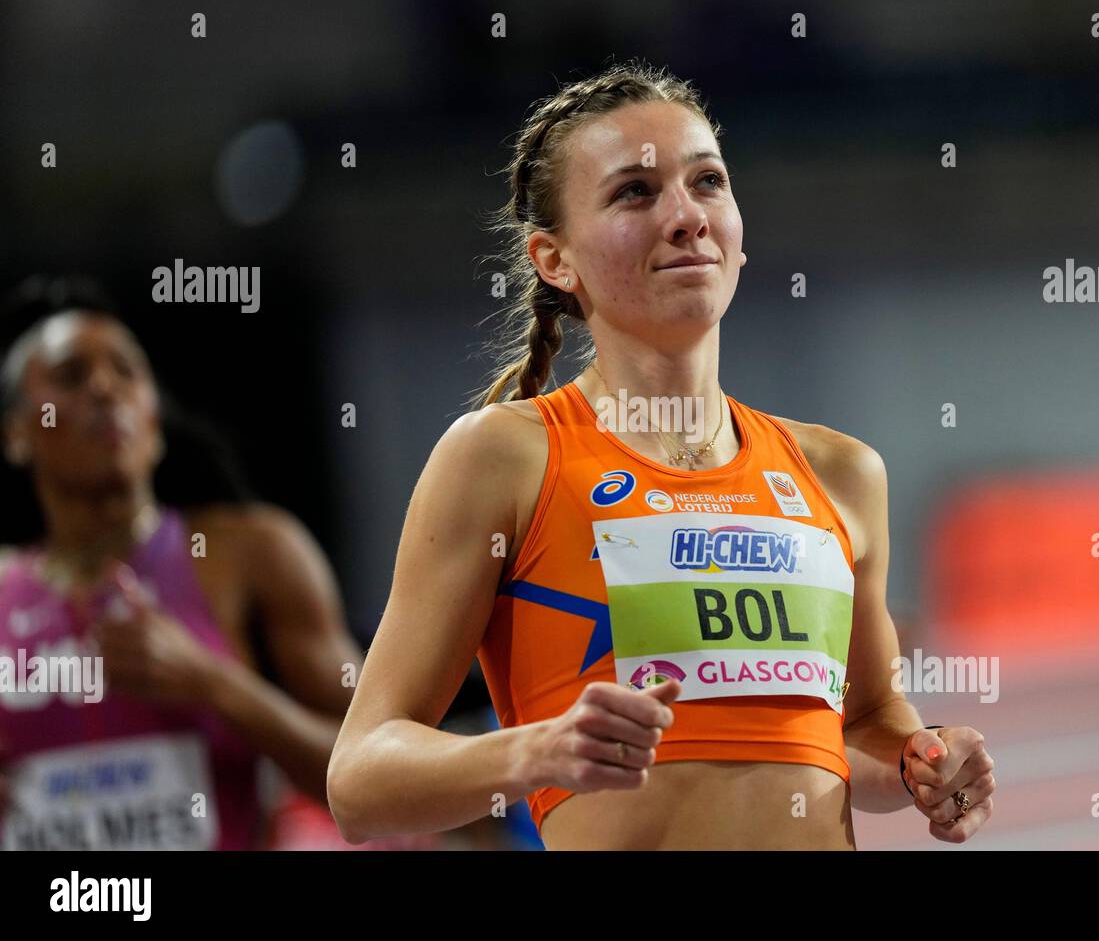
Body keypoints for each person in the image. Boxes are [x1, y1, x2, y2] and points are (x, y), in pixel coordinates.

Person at [328, 60, 995, 849]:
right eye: (634, 192)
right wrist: (531, 752)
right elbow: (359, 781)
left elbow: (867, 729)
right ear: (554, 259)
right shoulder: (504, 456)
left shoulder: (841, 473)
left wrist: (930, 764)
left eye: (707, 181)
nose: (687, 216)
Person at [0, 277, 365, 849]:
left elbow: (378, 775)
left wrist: (214, 683)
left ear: (154, 425)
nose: (103, 388)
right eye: (71, 375)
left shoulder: (254, 552)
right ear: (18, 433)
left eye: (127, 372)